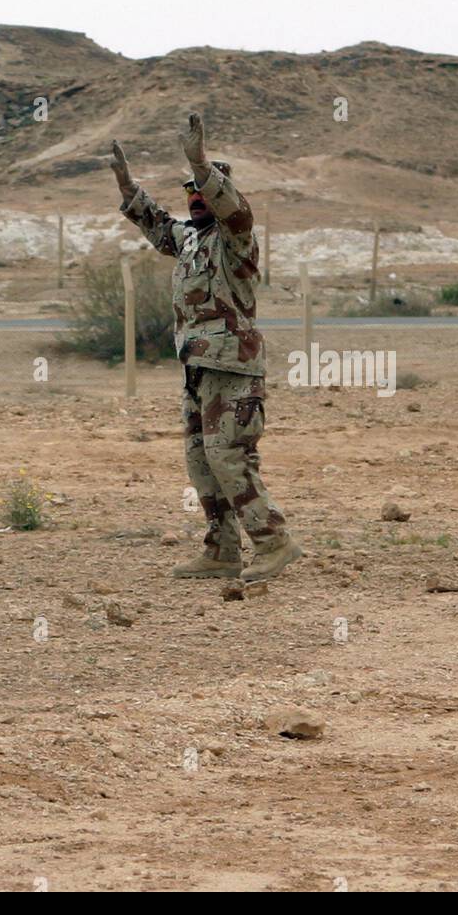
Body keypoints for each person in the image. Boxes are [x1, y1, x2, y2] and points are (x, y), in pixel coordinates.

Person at [110, 113, 301, 582]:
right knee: (200, 459)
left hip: (233, 368)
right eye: (189, 192)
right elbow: (156, 225)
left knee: (229, 454)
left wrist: (198, 161)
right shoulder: (192, 241)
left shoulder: (236, 240)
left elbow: (235, 209)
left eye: (203, 190)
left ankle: (273, 541)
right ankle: (221, 550)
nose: (195, 199)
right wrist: (126, 184)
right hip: (197, 367)